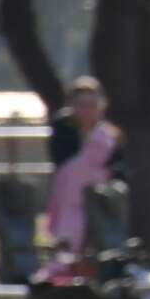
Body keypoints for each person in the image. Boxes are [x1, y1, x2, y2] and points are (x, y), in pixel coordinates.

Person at [44, 77, 121, 253]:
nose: (87, 110)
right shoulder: (63, 130)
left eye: (92, 104)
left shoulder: (108, 136)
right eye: (82, 105)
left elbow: (119, 167)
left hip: (102, 198)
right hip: (70, 197)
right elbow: (62, 162)